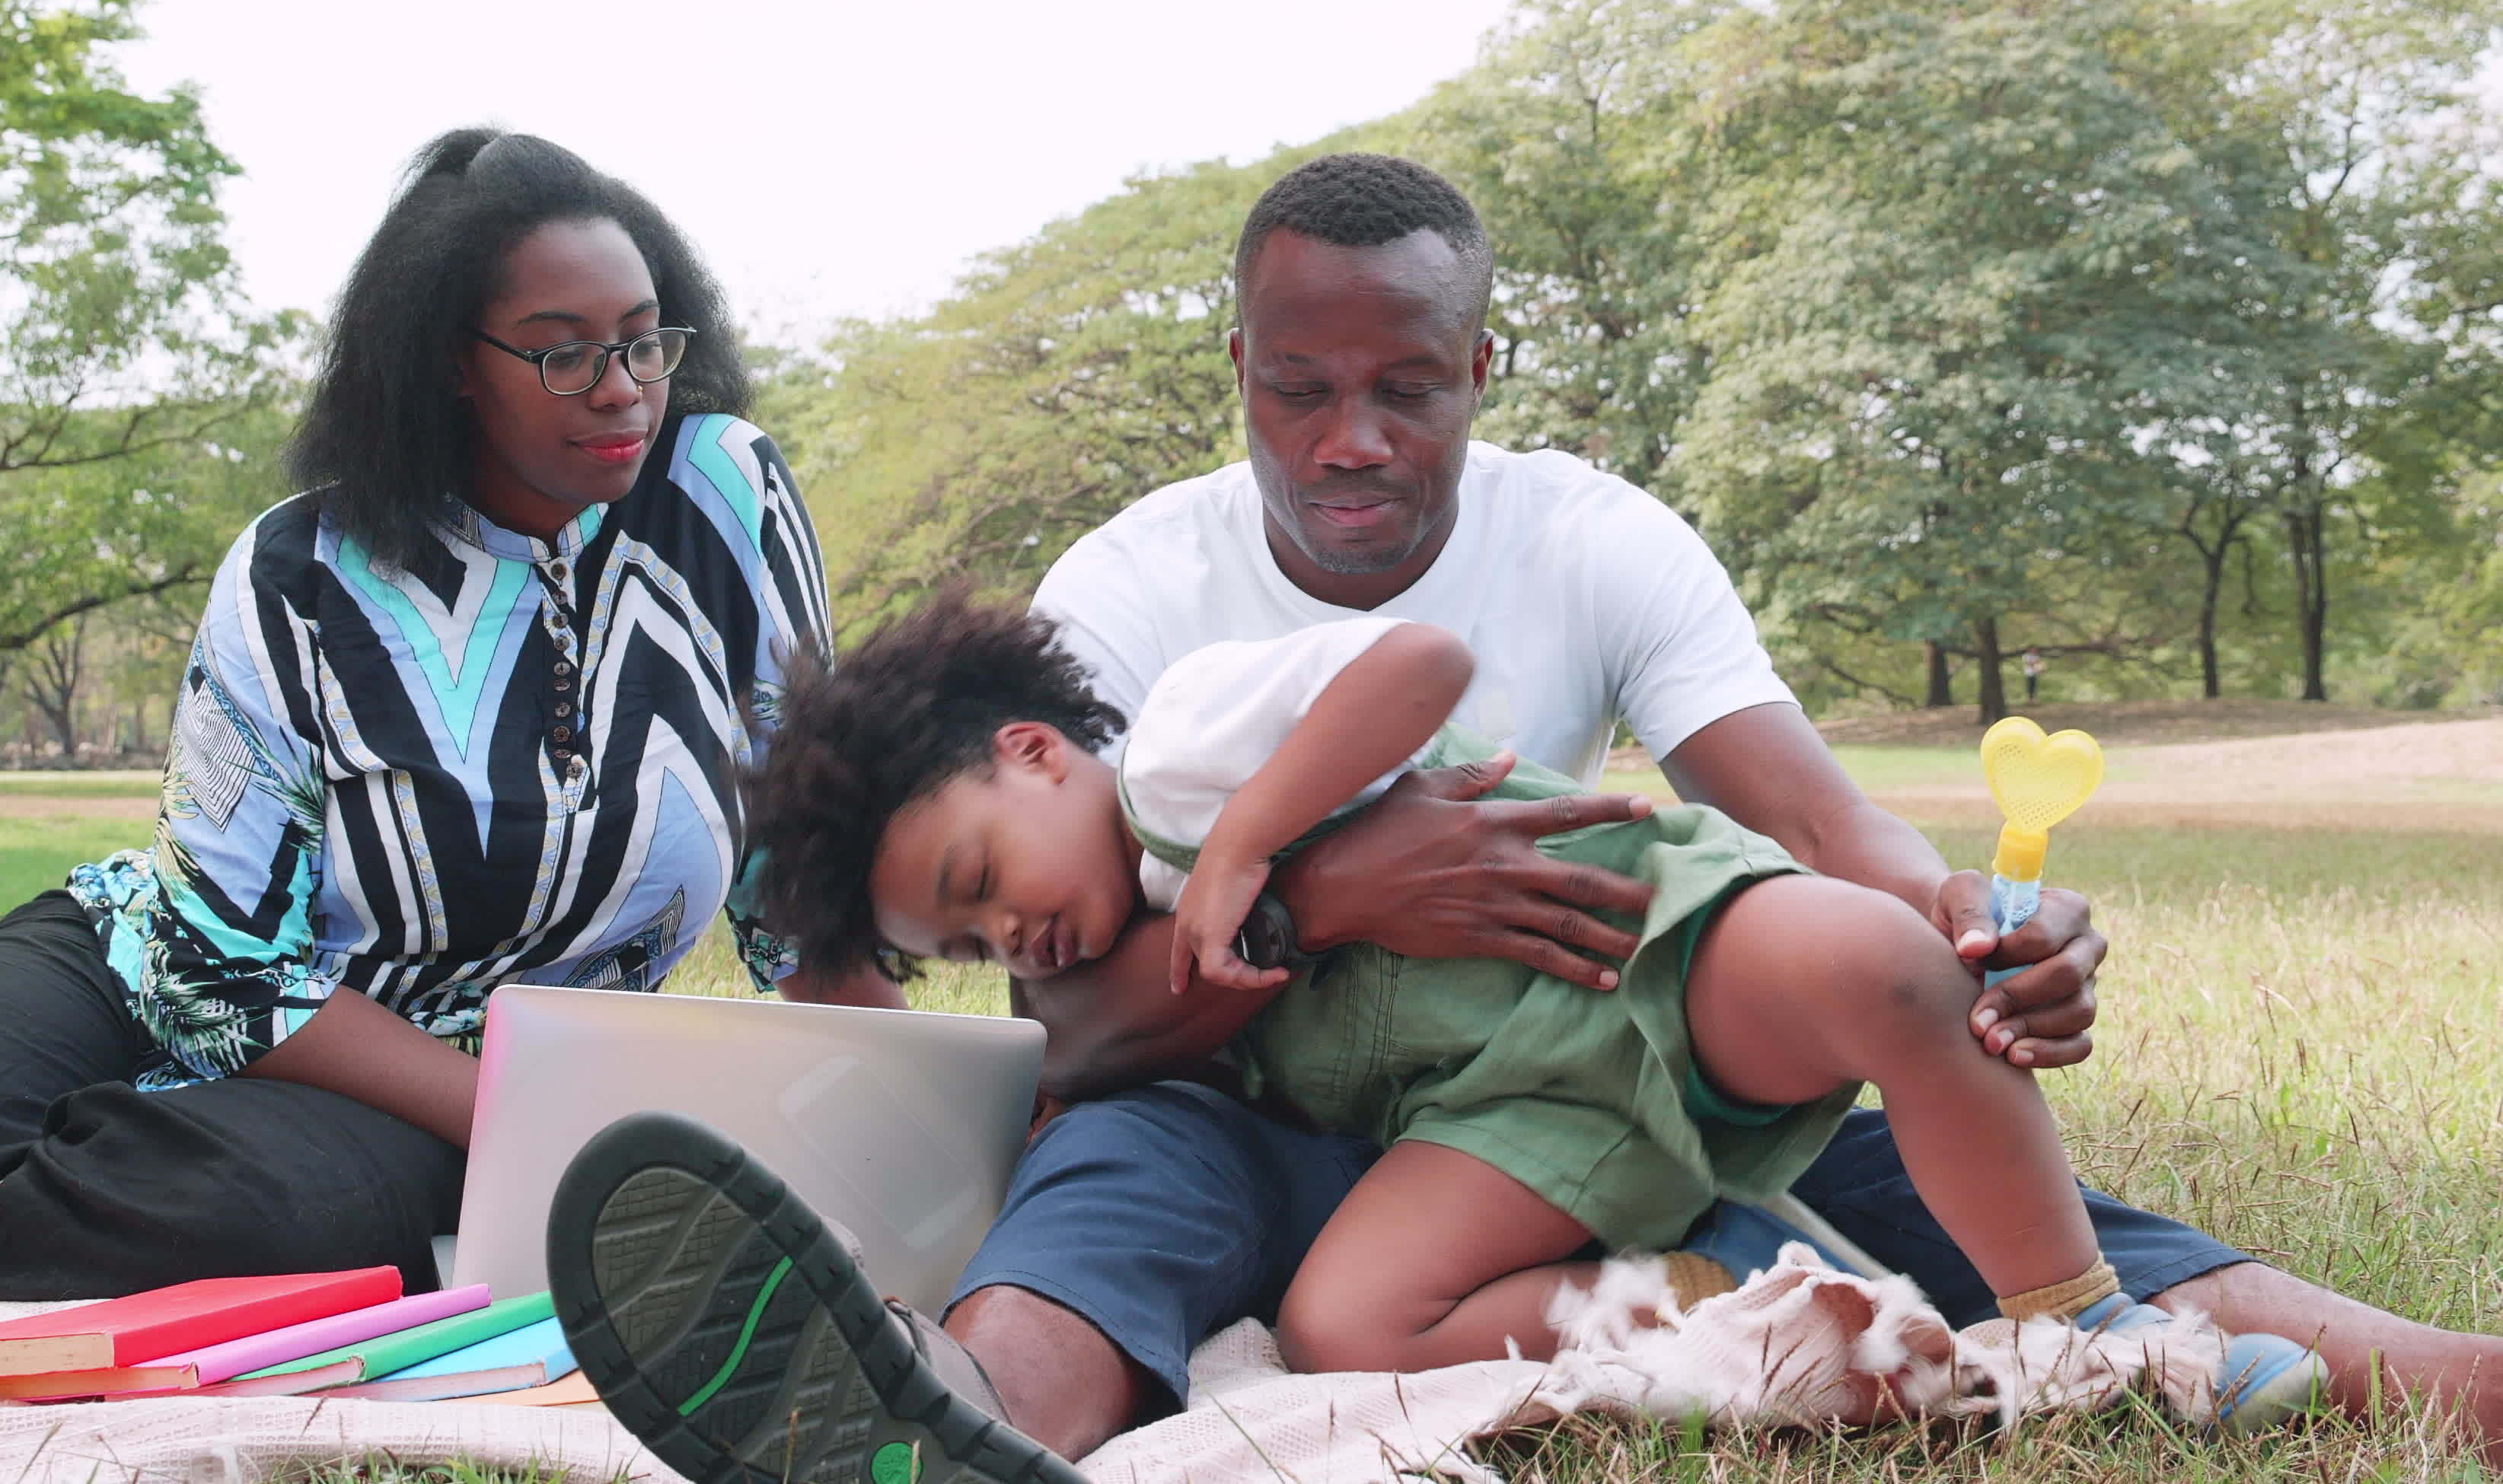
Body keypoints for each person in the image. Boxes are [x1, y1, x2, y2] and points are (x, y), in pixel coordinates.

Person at [549, 151, 2503, 1477]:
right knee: (1118, 1175)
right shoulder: (1124, 600)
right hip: (1260, 1112)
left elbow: (1813, 822)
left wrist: (1981, 925)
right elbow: (1076, 1017)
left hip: (1601, 1061)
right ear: (1235, 372)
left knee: (1954, 1131)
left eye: (1408, 384)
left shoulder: (1596, 540)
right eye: (1298, 385)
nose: (1351, 436)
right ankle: (954, 1419)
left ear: (1484, 369)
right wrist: (1332, 897)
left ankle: (2419, 1380)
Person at [0, 129, 836, 1336]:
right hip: (154, 971)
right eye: (562, 354)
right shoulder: (303, 570)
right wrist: (534, 1113)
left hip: (420, 1080)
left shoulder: (720, 494)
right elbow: (219, 961)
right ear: (452, 361)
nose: (623, 391)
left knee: (238, 1214)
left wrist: (886, 1107)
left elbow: (809, 840)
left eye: (643, 342)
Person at [746, 594, 2326, 1415]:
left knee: (1884, 967)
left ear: (1034, 752)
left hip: (1634, 939)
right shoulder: (1082, 970)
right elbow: (1066, 1060)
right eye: (962, 943)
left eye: (973, 880)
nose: (1002, 929)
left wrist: (1248, 837)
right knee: (1344, 1323)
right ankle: (1730, 1307)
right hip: (1503, 1114)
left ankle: (2081, 1322)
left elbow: (1419, 664)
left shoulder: (1179, 754)